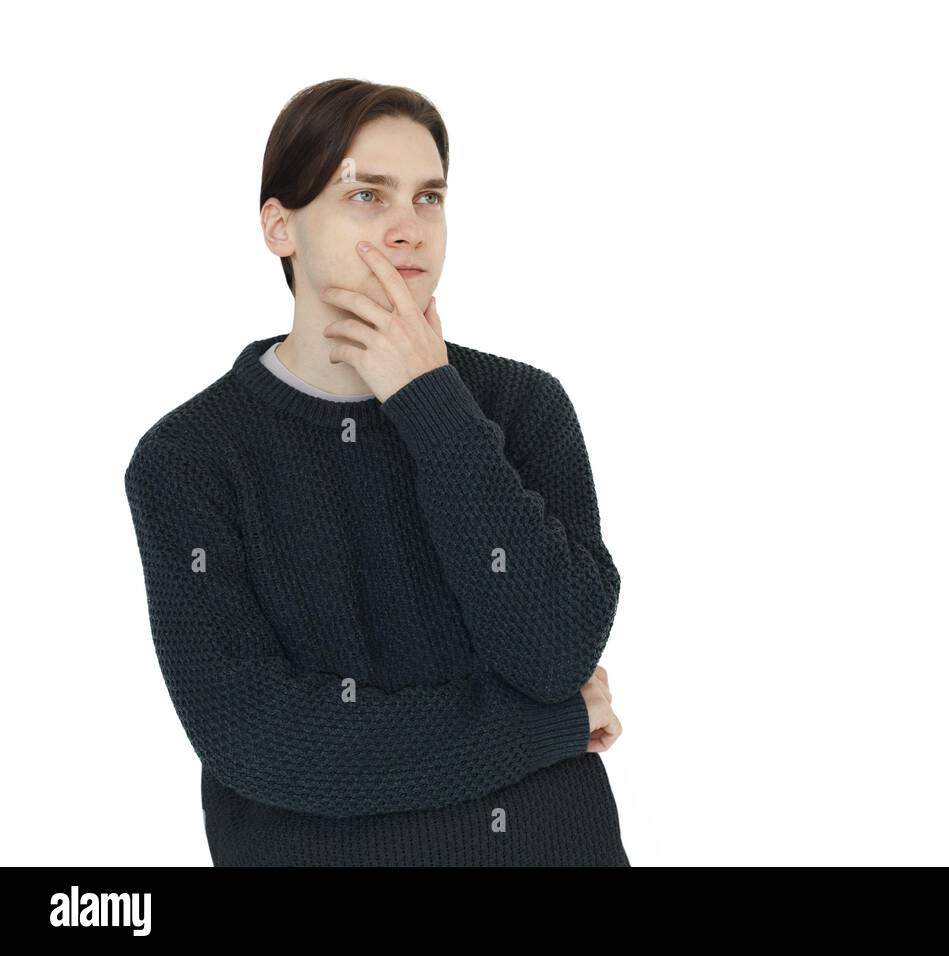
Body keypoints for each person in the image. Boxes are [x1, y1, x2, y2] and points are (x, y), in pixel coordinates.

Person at [123, 78, 629, 866]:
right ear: (279, 226)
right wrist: (548, 725)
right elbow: (263, 745)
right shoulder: (189, 460)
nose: (409, 229)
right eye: (367, 195)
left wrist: (432, 405)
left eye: (430, 198)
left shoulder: (521, 405)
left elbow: (556, 652)